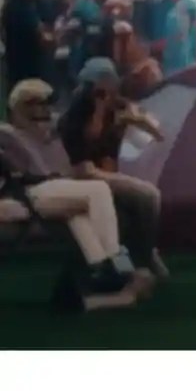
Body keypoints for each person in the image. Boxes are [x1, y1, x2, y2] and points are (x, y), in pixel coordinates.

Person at [0, 78, 149, 307]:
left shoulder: (52, 133)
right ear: (20, 106)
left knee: (80, 215)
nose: (43, 109)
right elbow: (24, 170)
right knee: (98, 190)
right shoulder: (7, 134)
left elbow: (66, 167)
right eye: (35, 103)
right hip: (34, 191)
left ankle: (100, 269)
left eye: (46, 103)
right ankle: (115, 264)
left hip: (59, 188)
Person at [57, 57, 169, 280]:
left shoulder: (120, 108)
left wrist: (139, 121)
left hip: (107, 174)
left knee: (135, 207)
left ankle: (140, 256)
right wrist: (100, 108)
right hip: (84, 173)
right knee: (146, 196)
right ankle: (138, 259)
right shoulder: (75, 116)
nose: (108, 91)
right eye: (101, 86)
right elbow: (88, 141)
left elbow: (154, 136)